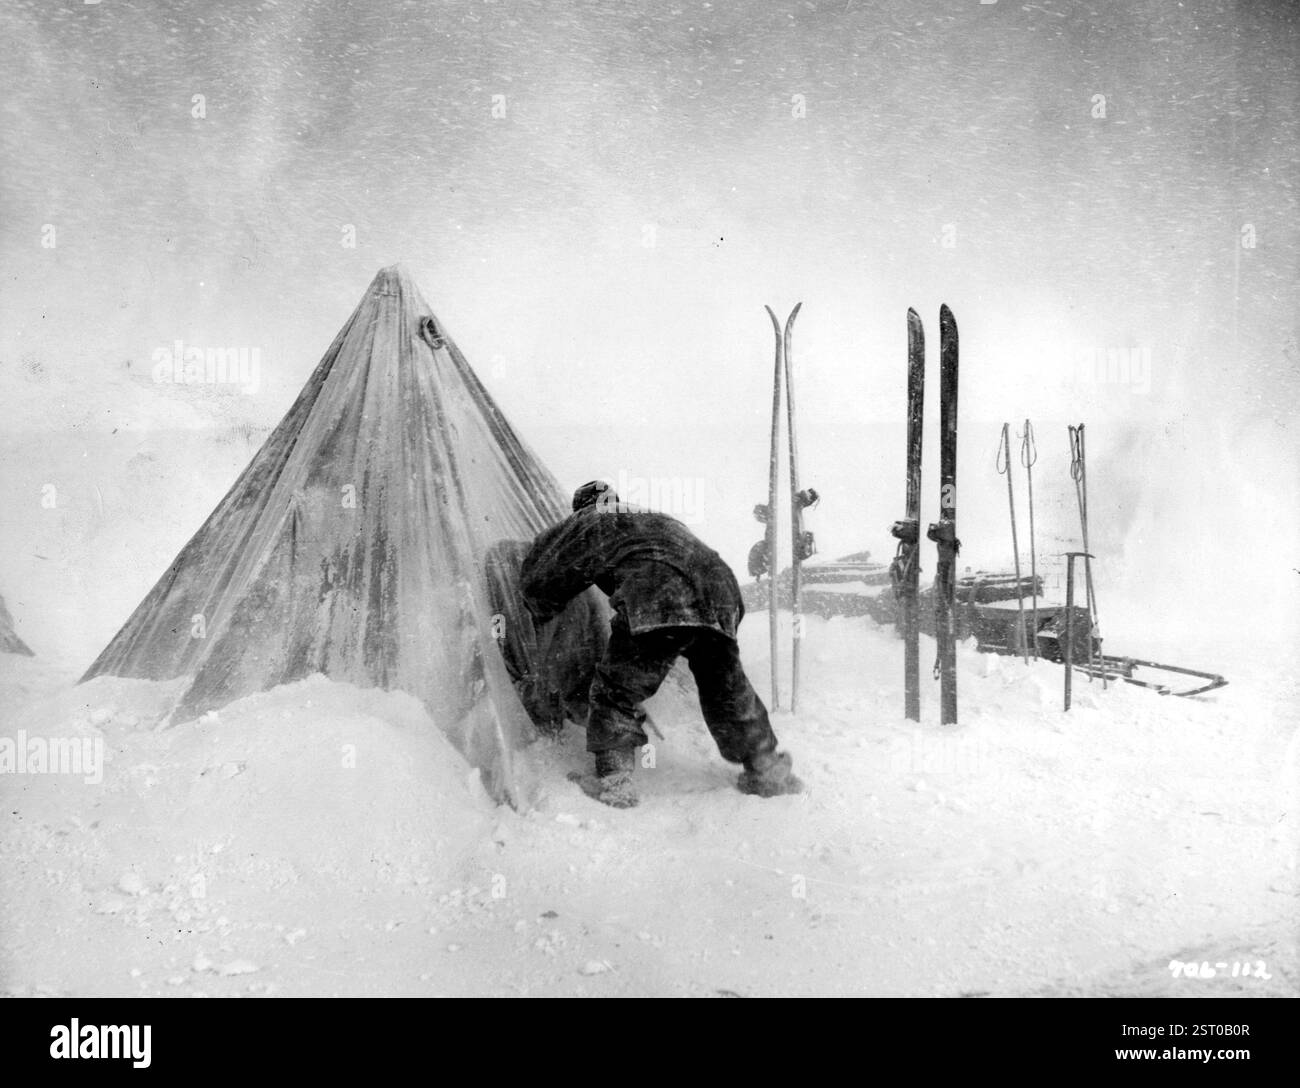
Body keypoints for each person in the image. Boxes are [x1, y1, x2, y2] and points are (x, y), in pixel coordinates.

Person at [519, 480, 803, 808]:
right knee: (725, 684)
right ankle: (767, 770)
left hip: (661, 591)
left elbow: (543, 571)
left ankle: (614, 781)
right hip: (720, 589)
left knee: (617, 689)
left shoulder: (593, 518)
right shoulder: (650, 518)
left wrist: (540, 606)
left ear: (584, 506)